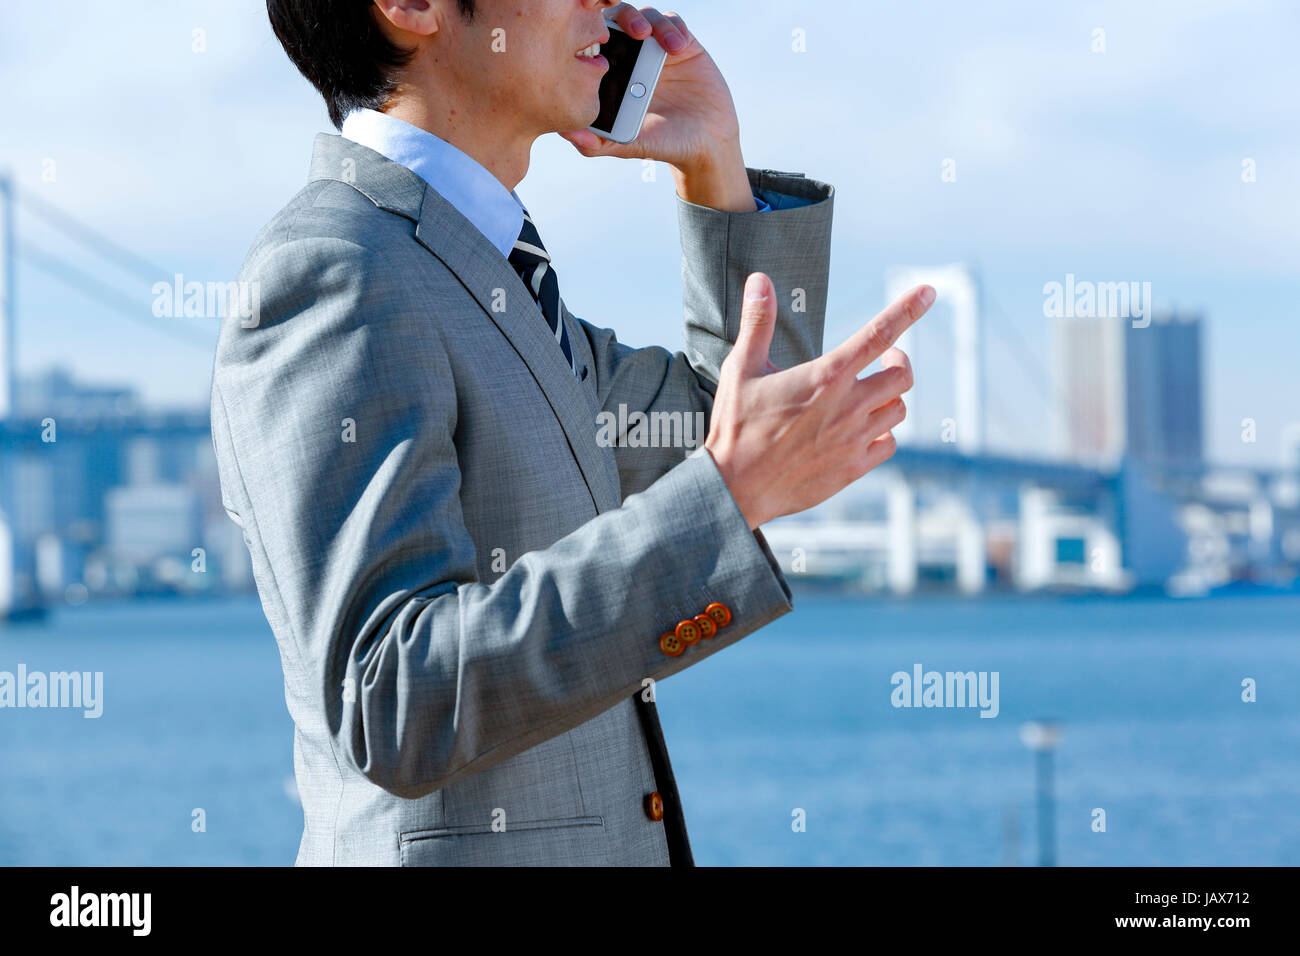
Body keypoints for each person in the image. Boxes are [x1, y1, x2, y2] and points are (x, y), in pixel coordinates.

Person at [210, 0, 932, 866]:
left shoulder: (482, 265)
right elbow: (393, 699)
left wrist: (713, 164)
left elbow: (744, 413)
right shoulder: (336, 270)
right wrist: (725, 493)